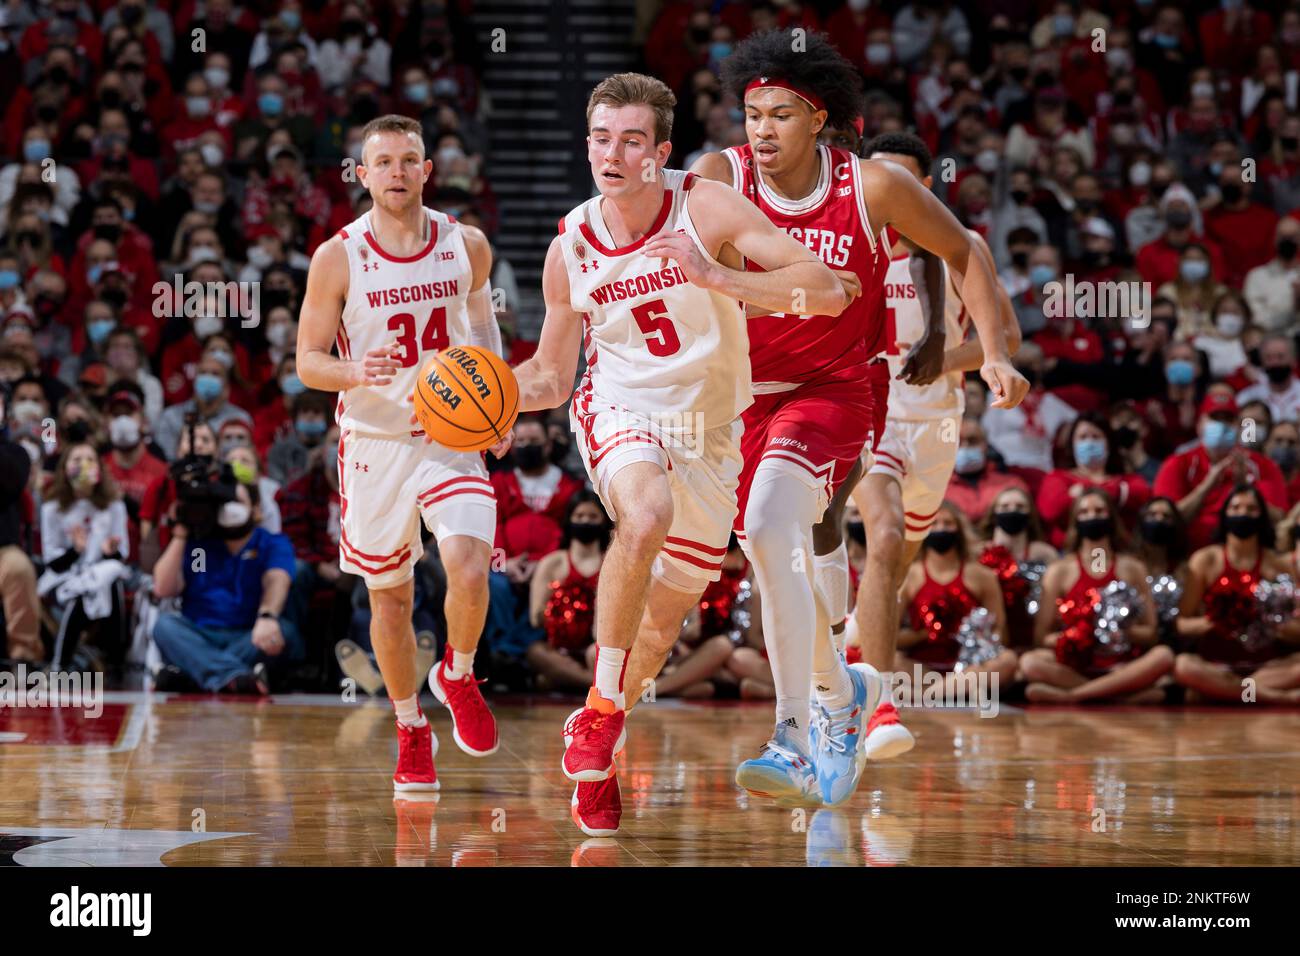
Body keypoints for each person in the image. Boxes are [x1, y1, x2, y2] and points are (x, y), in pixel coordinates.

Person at [693, 31, 1025, 809]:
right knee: (769, 548)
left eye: (781, 114)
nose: (762, 130)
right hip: (743, 396)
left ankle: (796, 735)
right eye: (752, 113)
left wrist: (994, 356)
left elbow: (966, 249)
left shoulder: (872, 186)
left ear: (821, 122)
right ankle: (842, 693)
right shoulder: (720, 176)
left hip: (839, 391)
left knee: (794, 526)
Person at [509, 71, 847, 833]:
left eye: (632, 140)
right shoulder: (570, 245)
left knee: (661, 630)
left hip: (712, 432)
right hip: (620, 407)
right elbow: (553, 374)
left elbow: (823, 285)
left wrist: (717, 274)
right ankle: (599, 707)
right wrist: (497, 399)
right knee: (646, 511)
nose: (613, 154)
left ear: (660, 151)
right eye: (601, 138)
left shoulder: (705, 206)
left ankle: (602, 738)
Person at [296, 114, 509, 793]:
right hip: (376, 440)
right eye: (381, 161)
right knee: (390, 600)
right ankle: (411, 725)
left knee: (469, 568)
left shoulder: (465, 244)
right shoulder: (338, 255)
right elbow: (306, 362)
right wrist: (354, 372)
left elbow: (484, 329)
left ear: (427, 171)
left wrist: (499, 401)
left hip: (450, 435)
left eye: (407, 159)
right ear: (361, 174)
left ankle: (458, 671)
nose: (395, 171)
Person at [847, 130, 1021, 764]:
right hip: (872, 414)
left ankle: (853, 649)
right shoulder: (849, 243)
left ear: (923, 189)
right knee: (885, 537)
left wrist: (953, 357)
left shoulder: (961, 247)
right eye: (878, 176)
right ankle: (880, 707)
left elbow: (1009, 336)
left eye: (903, 180)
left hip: (936, 422)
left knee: (892, 570)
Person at [150, 478, 301, 694]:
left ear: (256, 509)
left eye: (237, 501)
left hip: (248, 635)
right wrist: (182, 532)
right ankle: (236, 677)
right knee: (164, 625)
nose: (230, 508)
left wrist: (267, 616)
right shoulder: (200, 547)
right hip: (199, 633)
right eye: (225, 501)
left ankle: (195, 675)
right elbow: (164, 589)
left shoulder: (271, 543)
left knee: (284, 631)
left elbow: (276, 579)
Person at [1020, 490, 1170, 703]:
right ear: (1075, 521)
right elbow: (1041, 637)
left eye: (1099, 511)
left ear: (1111, 518)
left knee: (1163, 656)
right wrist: (1080, 637)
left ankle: (1074, 696)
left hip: (1123, 663)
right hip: (1075, 665)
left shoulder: (1133, 567)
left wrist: (1118, 632)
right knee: (1030, 662)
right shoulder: (1060, 570)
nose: (1093, 517)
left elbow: (1151, 634)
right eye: (1085, 512)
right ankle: (1119, 697)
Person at [1174, 485, 1300, 703]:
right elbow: (1182, 624)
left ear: (1262, 516)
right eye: (1236, 508)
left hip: (1266, 668)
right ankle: (1273, 697)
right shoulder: (1205, 560)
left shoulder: (1279, 565)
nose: (1243, 513)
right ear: (1225, 514)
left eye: (1251, 509)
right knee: (1183, 666)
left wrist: (1266, 620)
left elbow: (1298, 631)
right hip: (1216, 666)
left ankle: (1229, 693)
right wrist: (1220, 619)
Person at [893, 502, 1018, 689]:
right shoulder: (910, 575)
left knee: (1008, 660)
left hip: (969, 666)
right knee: (886, 658)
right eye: (934, 524)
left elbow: (1001, 634)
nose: (941, 529)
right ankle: (952, 690)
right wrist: (928, 632)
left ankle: (932, 693)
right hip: (921, 666)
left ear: (959, 529)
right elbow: (891, 637)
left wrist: (969, 633)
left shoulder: (981, 575)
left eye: (948, 523)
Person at [1152, 392, 1288, 550]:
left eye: (1228, 419)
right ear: (1200, 424)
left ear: (1239, 427)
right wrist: (1206, 487)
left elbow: (1278, 520)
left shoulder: (1263, 466)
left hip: (1249, 553)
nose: (1222, 425)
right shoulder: (1178, 463)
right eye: (1215, 418)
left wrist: (1245, 488)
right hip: (1188, 554)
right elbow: (1164, 521)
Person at [37, 443, 131, 669]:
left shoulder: (114, 506)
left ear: (99, 468)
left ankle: (113, 662)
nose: (83, 465)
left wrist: (111, 552)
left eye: (89, 459)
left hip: (101, 574)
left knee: (109, 584)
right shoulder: (51, 509)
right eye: (76, 460)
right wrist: (75, 551)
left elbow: (122, 555)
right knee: (85, 593)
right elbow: (53, 563)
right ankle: (63, 664)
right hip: (64, 577)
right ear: (64, 469)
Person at [525, 490, 609, 691]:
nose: (585, 522)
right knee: (535, 652)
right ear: (569, 520)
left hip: (598, 648)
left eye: (592, 516)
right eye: (579, 516)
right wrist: (562, 608)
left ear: (603, 521)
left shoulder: (611, 562)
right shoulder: (552, 563)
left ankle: (575, 682)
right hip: (559, 650)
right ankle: (598, 687)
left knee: (595, 654)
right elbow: (535, 618)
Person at [492, 415, 583, 589]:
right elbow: (492, 527)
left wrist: (544, 563)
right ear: (511, 446)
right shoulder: (499, 483)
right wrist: (503, 563)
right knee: (494, 586)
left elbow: (569, 534)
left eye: (534, 440)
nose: (527, 446)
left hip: (554, 567)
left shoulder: (570, 486)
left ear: (547, 445)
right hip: (504, 569)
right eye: (521, 441)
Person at [1036, 412, 1151, 548]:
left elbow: (1143, 497)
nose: (1089, 442)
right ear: (1072, 444)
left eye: (1096, 437)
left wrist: (1079, 495)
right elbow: (1051, 510)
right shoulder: (1056, 477)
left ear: (1108, 443)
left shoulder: (1130, 479)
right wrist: (1118, 493)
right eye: (1082, 437)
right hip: (1070, 555)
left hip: (1118, 553)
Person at [976, 487, 1058, 650]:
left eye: (1020, 507)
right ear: (994, 513)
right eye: (1005, 507)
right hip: (989, 635)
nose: (1012, 511)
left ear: (1030, 514)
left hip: (1033, 632)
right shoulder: (976, 553)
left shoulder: (1046, 554)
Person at [0, 383, 42, 664]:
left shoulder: (16, 454)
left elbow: (9, 480)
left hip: (2, 552)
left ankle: (23, 657)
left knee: (18, 566)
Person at [944, 416, 1030, 522]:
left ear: (986, 444)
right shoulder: (938, 491)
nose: (965, 446)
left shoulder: (1011, 484)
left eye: (973, 441)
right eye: (957, 443)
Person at [1132, 496, 1191, 646]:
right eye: (1152, 515)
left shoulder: (1186, 568)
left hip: (1177, 642)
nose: (1159, 520)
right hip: (1137, 644)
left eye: (1166, 516)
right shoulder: (1129, 566)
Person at [1238, 334, 1300, 424]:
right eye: (1269, 358)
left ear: (1293, 360)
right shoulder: (1247, 397)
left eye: (1280, 357)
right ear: (1262, 361)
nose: (1275, 363)